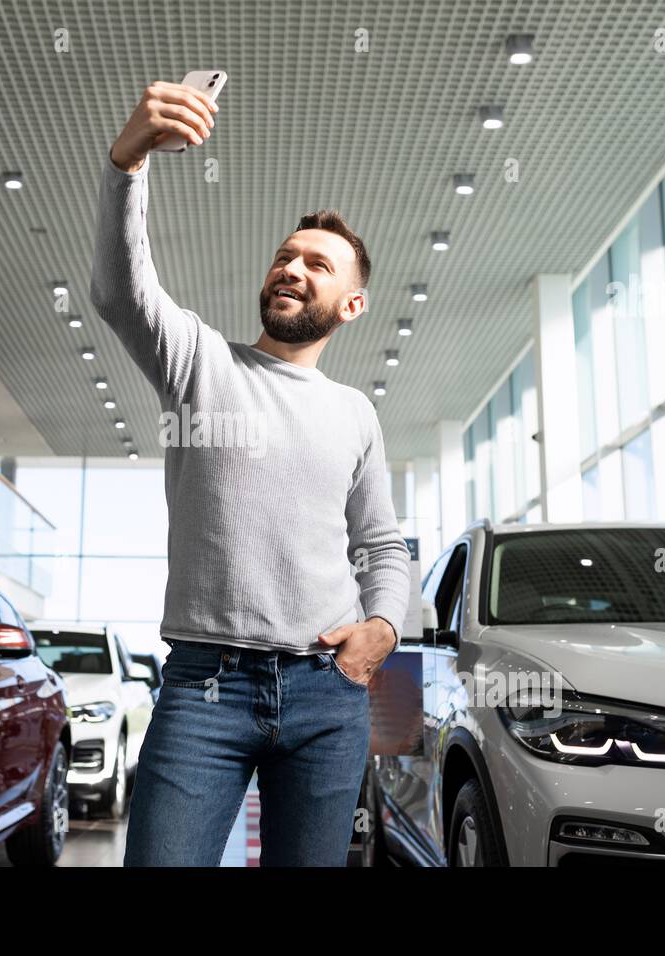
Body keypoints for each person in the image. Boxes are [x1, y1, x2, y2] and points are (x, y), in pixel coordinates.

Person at [90, 81, 410, 866]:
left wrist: (384, 629)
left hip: (327, 691)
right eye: (285, 256)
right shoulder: (200, 363)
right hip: (205, 687)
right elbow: (120, 290)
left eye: (317, 262)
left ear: (352, 304)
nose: (293, 267)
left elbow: (383, 544)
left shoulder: (355, 415)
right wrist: (128, 162)